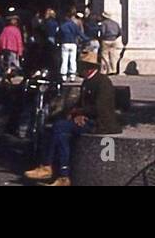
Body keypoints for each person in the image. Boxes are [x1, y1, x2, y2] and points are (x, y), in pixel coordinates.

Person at [23, 47, 122, 186]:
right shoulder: (88, 81)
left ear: (88, 67)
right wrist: (74, 113)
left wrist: (80, 113)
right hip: (89, 118)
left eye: (81, 65)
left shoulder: (102, 82)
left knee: (60, 127)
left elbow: (101, 108)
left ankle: (48, 166)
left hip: (100, 122)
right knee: (59, 131)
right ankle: (62, 174)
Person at [0, 15, 24, 81]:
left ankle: (7, 76)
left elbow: (0, 40)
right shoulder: (16, 30)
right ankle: (12, 77)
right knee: (13, 64)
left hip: (6, 49)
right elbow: (19, 41)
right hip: (13, 50)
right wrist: (20, 52)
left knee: (7, 64)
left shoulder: (5, 29)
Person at [59, 10, 84, 80]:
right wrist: (87, 39)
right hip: (73, 43)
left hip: (65, 43)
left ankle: (63, 75)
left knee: (64, 59)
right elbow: (80, 34)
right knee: (73, 60)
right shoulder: (74, 25)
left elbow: (59, 35)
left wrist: (58, 41)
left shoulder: (63, 26)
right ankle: (72, 75)